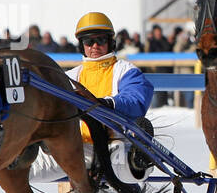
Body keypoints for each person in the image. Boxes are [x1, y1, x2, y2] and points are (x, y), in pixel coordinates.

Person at [32, 12, 155, 183]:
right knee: (28, 170)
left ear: (110, 42)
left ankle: (140, 154)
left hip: (116, 144)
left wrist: (106, 103)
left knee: (125, 172)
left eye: (101, 40)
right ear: (82, 46)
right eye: (89, 41)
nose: (95, 46)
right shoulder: (70, 77)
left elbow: (136, 100)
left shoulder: (125, 70)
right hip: (77, 148)